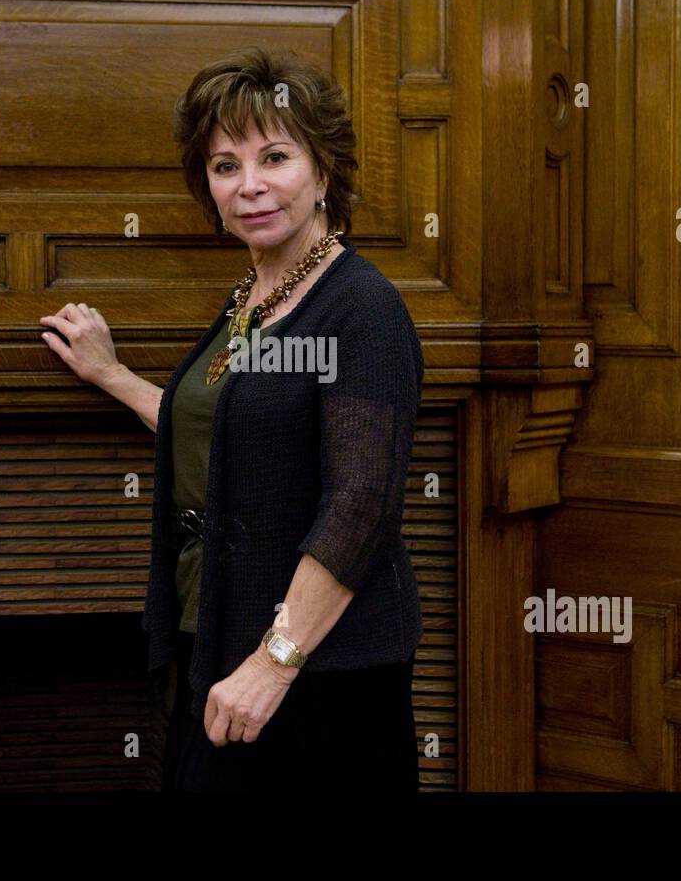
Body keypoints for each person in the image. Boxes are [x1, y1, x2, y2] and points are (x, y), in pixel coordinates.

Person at [39, 46, 424, 791]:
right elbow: (236, 437)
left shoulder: (361, 309)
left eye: (274, 157)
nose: (249, 186)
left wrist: (272, 664)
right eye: (224, 167)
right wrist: (111, 375)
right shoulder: (254, 298)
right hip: (223, 640)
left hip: (320, 673)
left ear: (323, 172)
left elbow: (362, 506)